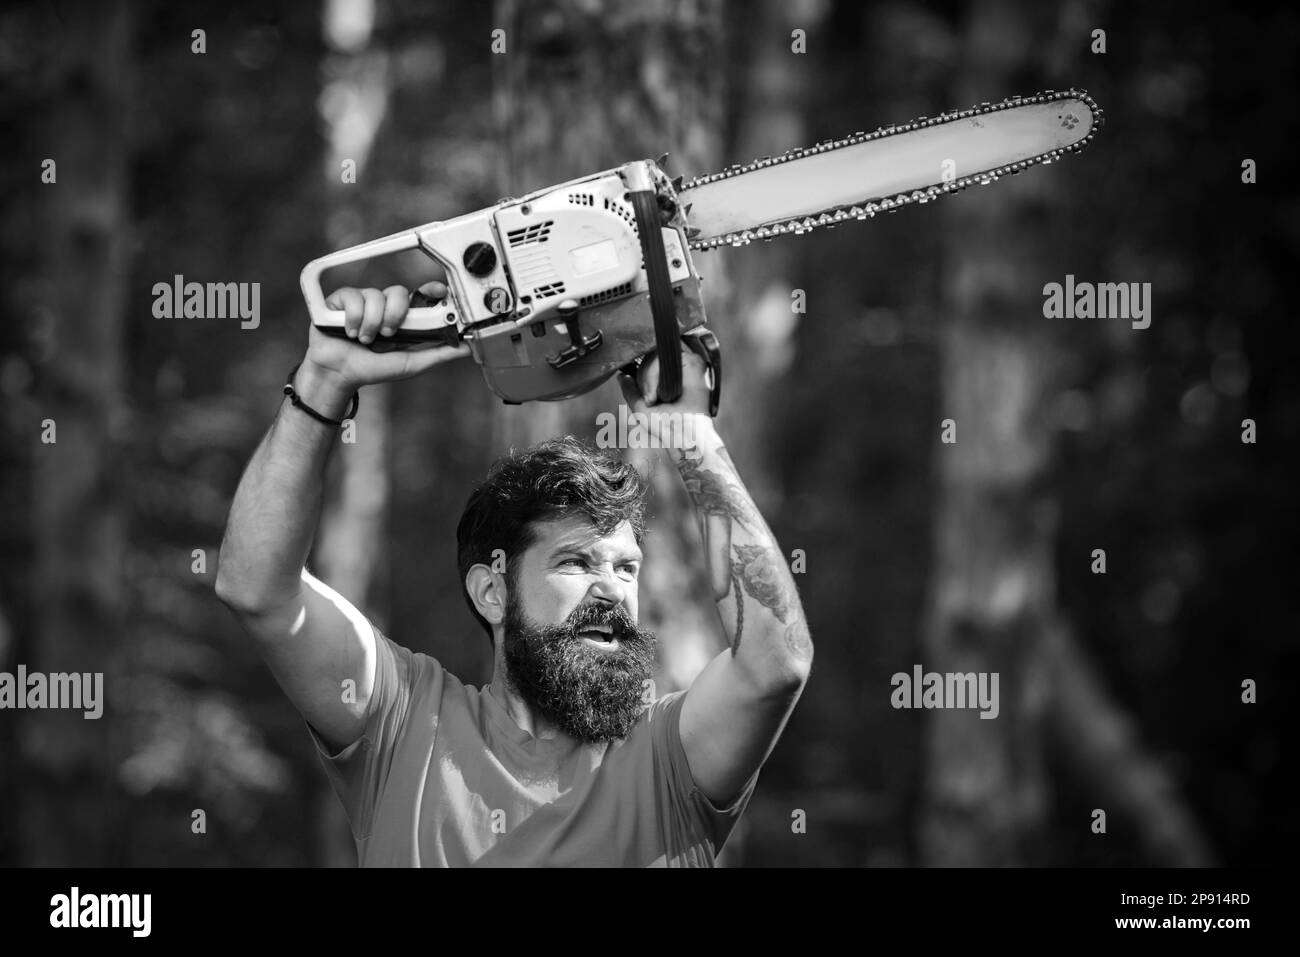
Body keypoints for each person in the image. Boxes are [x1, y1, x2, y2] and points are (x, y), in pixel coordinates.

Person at [215, 281, 813, 866]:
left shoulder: (666, 759)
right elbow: (258, 590)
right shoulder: (405, 724)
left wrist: (691, 435)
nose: (610, 589)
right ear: (492, 591)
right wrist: (324, 378)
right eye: (575, 562)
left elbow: (775, 663)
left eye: (626, 568)